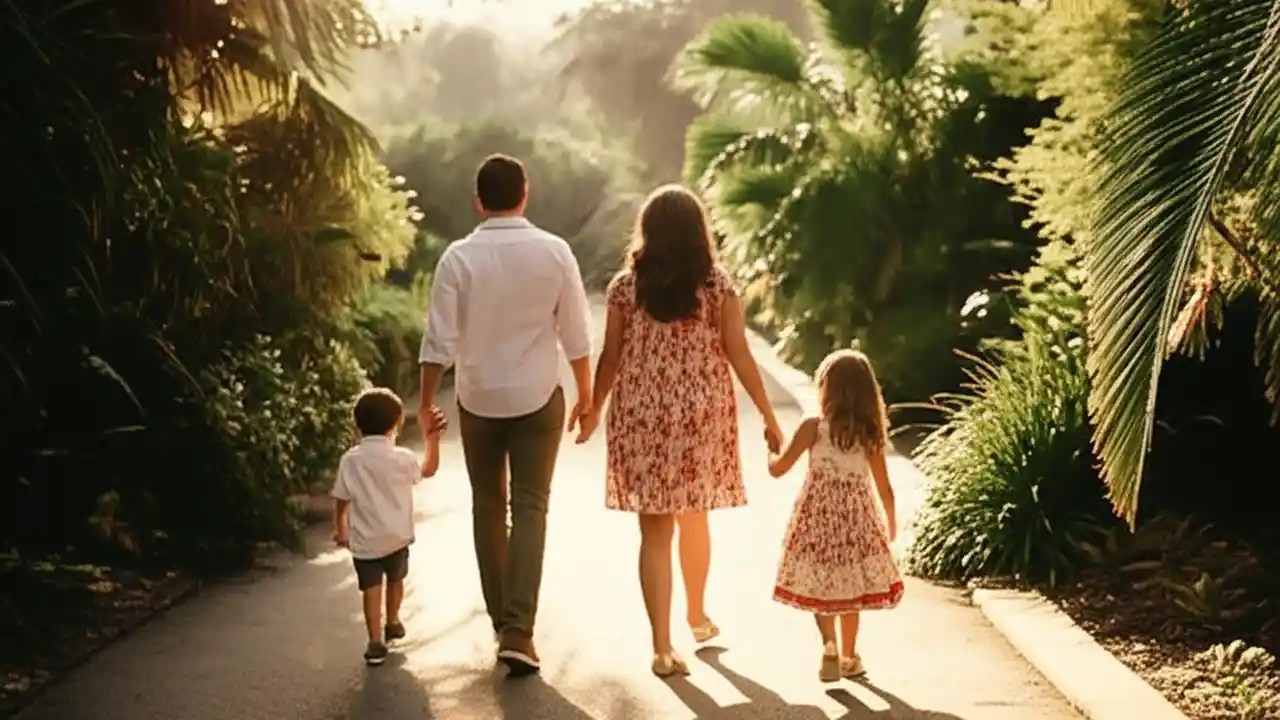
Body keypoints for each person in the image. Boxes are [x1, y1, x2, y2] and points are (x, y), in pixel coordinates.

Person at [578, 184, 784, 678]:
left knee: (654, 531)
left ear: (647, 229)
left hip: (642, 418)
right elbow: (739, 353)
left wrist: (593, 409)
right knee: (696, 516)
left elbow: (612, 358)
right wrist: (770, 417)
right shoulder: (716, 285)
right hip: (700, 417)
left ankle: (662, 646)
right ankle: (695, 611)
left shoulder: (626, 288)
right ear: (699, 231)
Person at [418, 153, 594, 677]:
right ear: (525, 192)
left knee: (488, 507)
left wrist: (427, 402)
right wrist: (586, 396)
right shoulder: (555, 251)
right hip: (539, 398)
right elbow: (578, 334)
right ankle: (518, 630)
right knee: (532, 507)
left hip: (478, 401)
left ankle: (504, 625)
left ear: (478, 200)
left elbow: (438, 340)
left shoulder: (457, 258)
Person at [766, 349, 904, 682]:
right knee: (850, 588)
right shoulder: (870, 433)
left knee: (820, 583)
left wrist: (772, 448)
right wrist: (891, 522)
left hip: (817, 517)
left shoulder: (813, 426)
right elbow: (885, 487)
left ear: (827, 387)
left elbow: (778, 469)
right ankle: (848, 655)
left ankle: (828, 644)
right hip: (856, 520)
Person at [332, 387, 446, 666]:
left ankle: (374, 641)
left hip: (365, 542)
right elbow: (428, 469)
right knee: (396, 581)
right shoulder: (403, 458)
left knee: (371, 588)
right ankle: (393, 619)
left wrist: (341, 527)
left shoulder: (351, 460)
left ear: (357, 424)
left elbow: (342, 498)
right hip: (397, 538)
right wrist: (432, 439)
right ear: (397, 423)